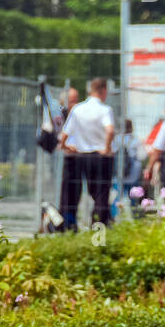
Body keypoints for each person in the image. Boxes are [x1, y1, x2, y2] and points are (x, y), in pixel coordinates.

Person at [58, 78, 115, 229]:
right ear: (103, 91)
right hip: (100, 156)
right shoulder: (105, 109)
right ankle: (98, 235)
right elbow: (110, 130)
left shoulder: (78, 109)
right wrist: (106, 148)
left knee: (71, 194)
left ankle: (69, 228)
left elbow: (64, 135)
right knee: (100, 196)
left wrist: (66, 146)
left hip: (79, 157)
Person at [55, 86, 82, 231]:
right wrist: (66, 147)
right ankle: (63, 222)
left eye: (77, 100)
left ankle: (72, 221)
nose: (75, 104)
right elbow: (57, 138)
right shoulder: (60, 116)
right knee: (65, 194)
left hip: (77, 158)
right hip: (65, 160)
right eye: (72, 101)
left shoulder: (78, 115)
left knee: (75, 193)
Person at [113, 119, 144, 217]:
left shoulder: (115, 140)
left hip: (117, 175)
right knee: (134, 198)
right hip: (133, 175)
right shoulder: (136, 140)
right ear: (131, 128)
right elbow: (142, 156)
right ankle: (136, 218)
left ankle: (114, 217)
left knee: (116, 198)